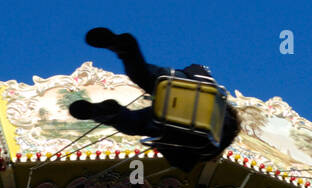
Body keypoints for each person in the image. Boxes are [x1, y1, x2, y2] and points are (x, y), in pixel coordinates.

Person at [69, 28, 240, 172]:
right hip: (191, 122)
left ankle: (125, 52)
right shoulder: (210, 146)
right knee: (137, 124)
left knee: (144, 76)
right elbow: (182, 162)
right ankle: (110, 114)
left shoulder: (218, 107)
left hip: (190, 88)